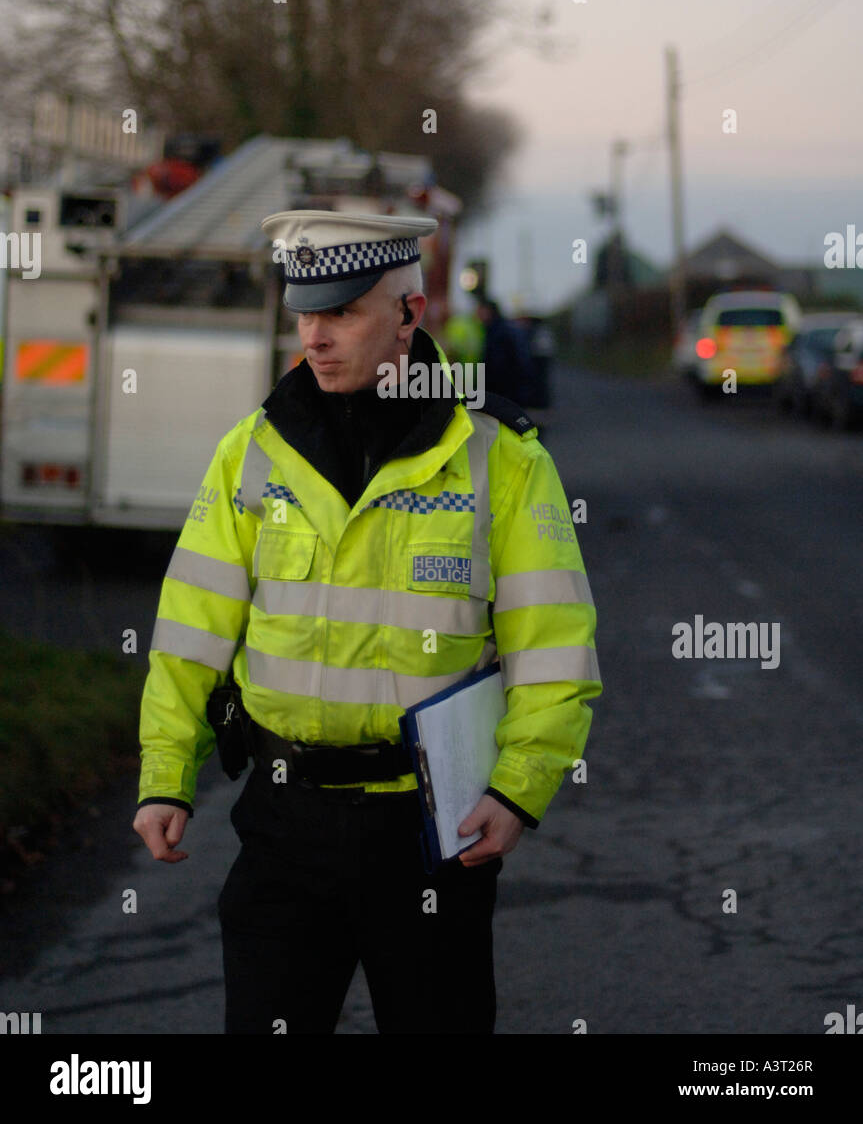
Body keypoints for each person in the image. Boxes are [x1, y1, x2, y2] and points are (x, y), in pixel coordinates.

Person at [133, 210, 601, 1035]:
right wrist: (166, 771)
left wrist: (517, 790)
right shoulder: (251, 452)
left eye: (342, 312)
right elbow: (191, 629)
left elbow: (553, 646)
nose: (315, 336)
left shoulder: (500, 456)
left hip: (428, 830)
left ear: (409, 316)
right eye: (305, 313)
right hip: (282, 826)